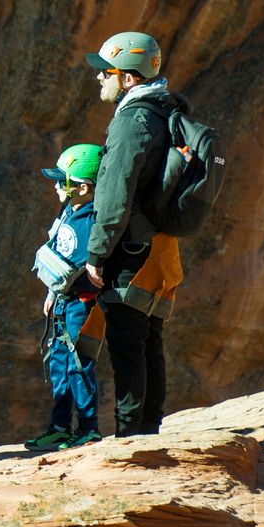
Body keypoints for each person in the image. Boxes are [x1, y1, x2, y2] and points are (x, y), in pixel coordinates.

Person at [81, 32, 187, 436]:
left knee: (128, 342)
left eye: (104, 72)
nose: (98, 80)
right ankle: (147, 432)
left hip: (132, 248)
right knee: (149, 340)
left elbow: (114, 192)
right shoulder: (167, 111)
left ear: (127, 78)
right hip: (161, 247)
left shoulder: (132, 120)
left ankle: (130, 438)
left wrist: (97, 252)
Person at [25, 144, 105, 452]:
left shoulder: (90, 218)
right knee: (59, 363)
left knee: (78, 363)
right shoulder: (70, 210)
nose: (57, 186)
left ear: (84, 187)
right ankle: (59, 427)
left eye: (63, 180)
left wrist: (63, 291)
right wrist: (51, 293)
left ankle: (88, 428)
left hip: (81, 303)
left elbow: (82, 263)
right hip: (62, 302)